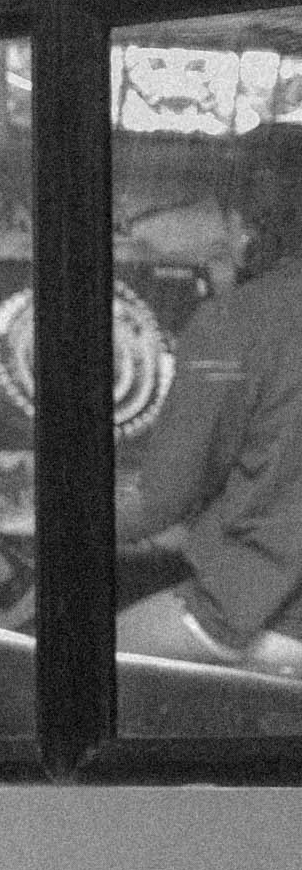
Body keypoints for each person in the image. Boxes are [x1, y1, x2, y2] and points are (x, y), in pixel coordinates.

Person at [116, 130, 302, 685]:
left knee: (78, 664)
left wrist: (56, 517)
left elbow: (161, 500)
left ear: (244, 223)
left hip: (259, 613)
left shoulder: (238, 320)